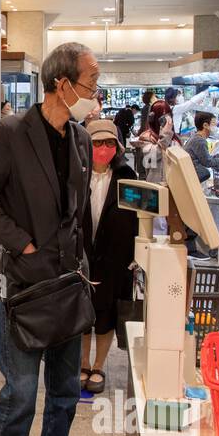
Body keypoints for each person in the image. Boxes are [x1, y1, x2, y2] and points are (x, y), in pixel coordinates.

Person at [0, 41, 99, 436]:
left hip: (68, 284)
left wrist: (83, 262)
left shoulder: (82, 139)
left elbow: (77, 211)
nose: (95, 92)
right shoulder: (10, 133)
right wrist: (21, 243)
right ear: (61, 84)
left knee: (64, 391)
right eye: (90, 82)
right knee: (20, 392)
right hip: (24, 287)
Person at [80, 119, 139, 396]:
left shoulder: (128, 176)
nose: (102, 149)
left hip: (115, 260)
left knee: (105, 314)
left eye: (108, 143)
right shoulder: (76, 175)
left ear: (117, 146)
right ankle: (81, 362)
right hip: (81, 259)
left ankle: (99, 365)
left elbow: (140, 220)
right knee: (81, 314)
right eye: (96, 143)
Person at [184, 111, 219, 183]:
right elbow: (208, 163)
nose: (216, 126)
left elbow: (204, 158)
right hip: (194, 176)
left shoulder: (196, 137)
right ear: (205, 125)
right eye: (214, 124)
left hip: (192, 173)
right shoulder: (200, 141)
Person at [135, 99, 173, 183]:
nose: (167, 121)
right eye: (163, 117)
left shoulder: (173, 137)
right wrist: (165, 135)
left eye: (168, 116)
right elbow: (152, 159)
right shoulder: (146, 137)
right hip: (156, 186)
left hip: (174, 185)